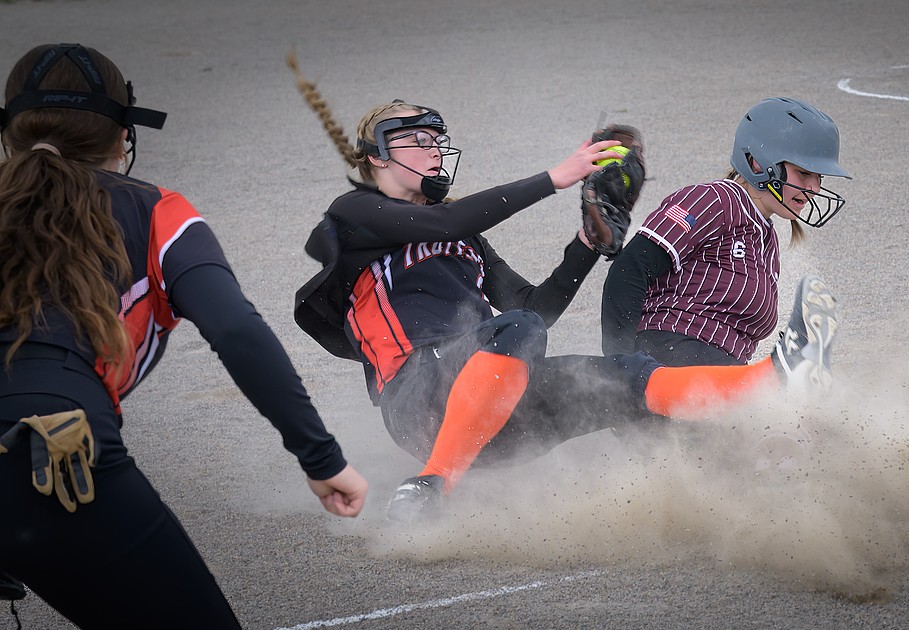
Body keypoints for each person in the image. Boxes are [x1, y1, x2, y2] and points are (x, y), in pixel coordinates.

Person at [290, 63, 837, 527]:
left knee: (620, 377)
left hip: (494, 418)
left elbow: (534, 307)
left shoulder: (463, 239)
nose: (431, 149)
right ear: (375, 158)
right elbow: (454, 223)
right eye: (413, 140)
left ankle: (773, 377)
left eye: (435, 139)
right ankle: (431, 486)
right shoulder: (355, 214)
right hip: (417, 399)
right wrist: (557, 176)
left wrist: (587, 244)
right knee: (518, 332)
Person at [0, 44, 368, 629]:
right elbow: (235, 329)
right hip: (53, 443)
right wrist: (320, 457)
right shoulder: (156, 211)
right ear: (124, 135)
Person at [601, 97, 850, 368]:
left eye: (819, 177)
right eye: (804, 173)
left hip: (715, 370)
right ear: (757, 164)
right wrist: (620, 368)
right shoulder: (716, 200)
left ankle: (780, 373)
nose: (814, 188)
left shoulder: (765, 240)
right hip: (667, 352)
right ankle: (784, 368)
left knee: (780, 405)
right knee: (765, 397)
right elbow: (630, 268)